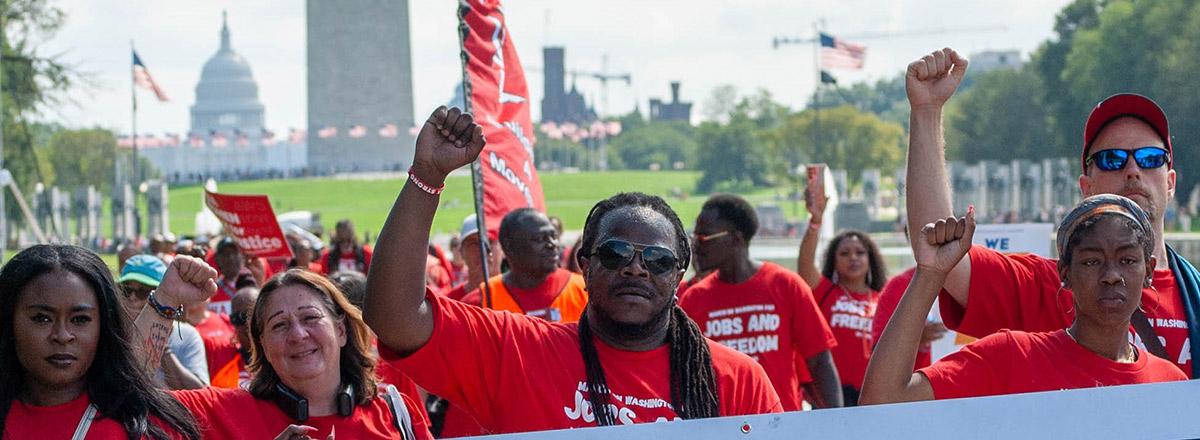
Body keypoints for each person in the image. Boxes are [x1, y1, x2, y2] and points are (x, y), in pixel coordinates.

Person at [365, 107, 781, 435]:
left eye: (657, 260)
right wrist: (428, 176)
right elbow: (393, 319)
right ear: (585, 263)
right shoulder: (519, 353)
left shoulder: (736, 379)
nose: (636, 269)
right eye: (616, 253)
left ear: (678, 276)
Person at [904, 47, 1198, 377]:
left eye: (1149, 158)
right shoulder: (1053, 286)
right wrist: (927, 112)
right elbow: (940, 250)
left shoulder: (1195, 295)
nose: (1132, 169)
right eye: (1111, 159)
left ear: (1170, 182)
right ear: (1087, 188)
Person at [861, 197, 1187, 404]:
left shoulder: (1171, 384)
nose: (1111, 275)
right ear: (1064, 274)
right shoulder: (1011, 356)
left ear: (1148, 272)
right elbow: (883, 402)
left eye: (1128, 260)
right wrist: (930, 274)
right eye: (1091, 261)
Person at [141, 261, 432, 439]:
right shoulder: (220, 413)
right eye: (279, 325)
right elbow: (123, 394)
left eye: (310, 318)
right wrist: (165, 299)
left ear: (341, 330)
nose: (297, 334)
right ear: (263, 346)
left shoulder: (396, 414)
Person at [0, 245, 201, 439]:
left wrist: (168, 297)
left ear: (103, 326)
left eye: (80, 319)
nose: (62, 335)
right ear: (9, 322)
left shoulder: (151, 421)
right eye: (42, 318)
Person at [681, 193, 843, 410]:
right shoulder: (694, 298)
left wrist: (839, 423)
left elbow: (819, 360)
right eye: (694, 237)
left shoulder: (786, 284)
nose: (696, 246)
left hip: (780, 422)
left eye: (703, 238)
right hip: (721, 425)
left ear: (736, 239)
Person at [795, 190, 886, 406]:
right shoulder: (825, 292)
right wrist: (815, 221)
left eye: (859, 252)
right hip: (831, 397)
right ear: (833, 262)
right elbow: (805, 265)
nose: (853, 258)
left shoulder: (883, 298)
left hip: (873, 396)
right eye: (844, 253)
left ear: (870, 258)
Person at [461, 208, 589, 323]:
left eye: (553, 236)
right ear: (510, 247)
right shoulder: (480, 302)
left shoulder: (585, 291)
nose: (552, 245)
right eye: (540, 239)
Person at [119, 254, 211, 390]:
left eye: (143, 291)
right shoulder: (113, 332)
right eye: (126, 290)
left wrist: (159, 340)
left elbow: (200, 393)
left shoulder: (187, 336)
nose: (132, 297)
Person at [211, 286, 259, 389]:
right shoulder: (222, 358)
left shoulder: (281, 356)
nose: (248, 325)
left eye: (253, 316)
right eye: (240, 318)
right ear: (232, 321)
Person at [442, 214, 496, 302]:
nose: (483, 250)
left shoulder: (516, 294)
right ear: (461, 252)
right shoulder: (451, 302)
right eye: (474, 244)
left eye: (489, 241)